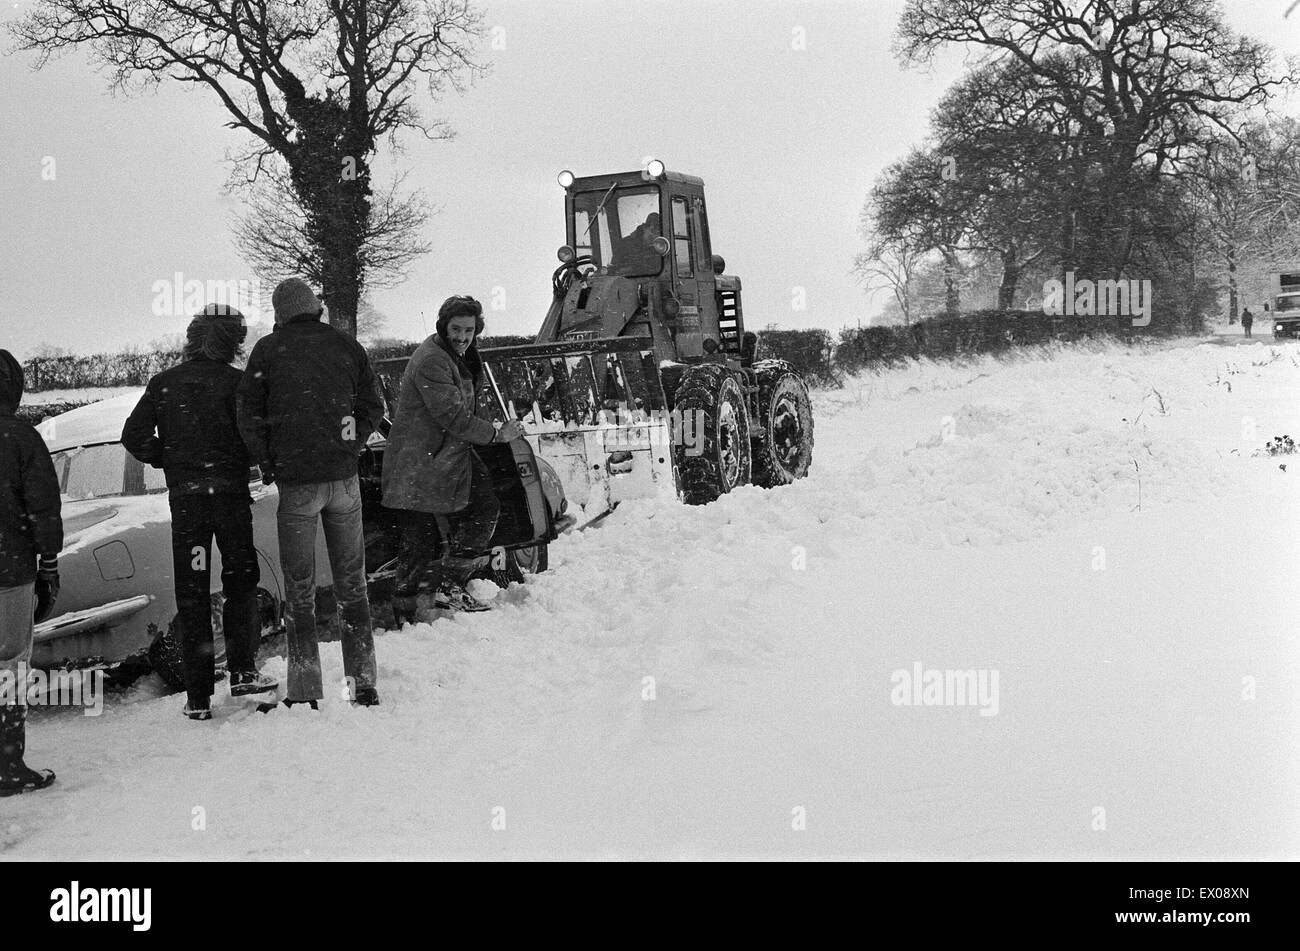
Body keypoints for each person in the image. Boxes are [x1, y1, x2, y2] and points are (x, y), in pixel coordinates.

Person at [121, 305, 276, 720]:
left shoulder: (163, 384)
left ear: (191, 339)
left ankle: (198, 696)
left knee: (191, 593)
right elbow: (256, 436)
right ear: (232, 343)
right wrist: (252, 461)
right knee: (241, 581)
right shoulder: (238, 384)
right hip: (229, 497)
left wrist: (167, 458)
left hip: (187, 502)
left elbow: (132, 436)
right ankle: (242, 670)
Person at [237, 279, 385, 708]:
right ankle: (362, 683)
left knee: (300, 591)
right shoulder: (345, 345)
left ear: (280, 313)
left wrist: (269, 460)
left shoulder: (267, 351)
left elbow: (248, 415)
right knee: (352, 584)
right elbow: (373, 405)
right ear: (316, 307)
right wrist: (350, 443)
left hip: (297, 482)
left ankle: (305, 689)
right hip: (343, 481)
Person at [382, 295, 524, 613]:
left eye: (469, 330)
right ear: (443, 327)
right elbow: (454, 416)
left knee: (477, 509)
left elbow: (468, 405)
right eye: (456, 329)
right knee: (421, 537)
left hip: (443, 455)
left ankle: (439, 590)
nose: (462, 336)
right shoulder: (433, 360)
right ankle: (415, 607)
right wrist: (496, 434)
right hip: (420, 461)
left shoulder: (458, 355)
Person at [0, 349, 62, 795]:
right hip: (9, 570)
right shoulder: (21, 439)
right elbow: (42, 508)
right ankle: (7, 765)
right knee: (8, 665)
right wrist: (49, 565)